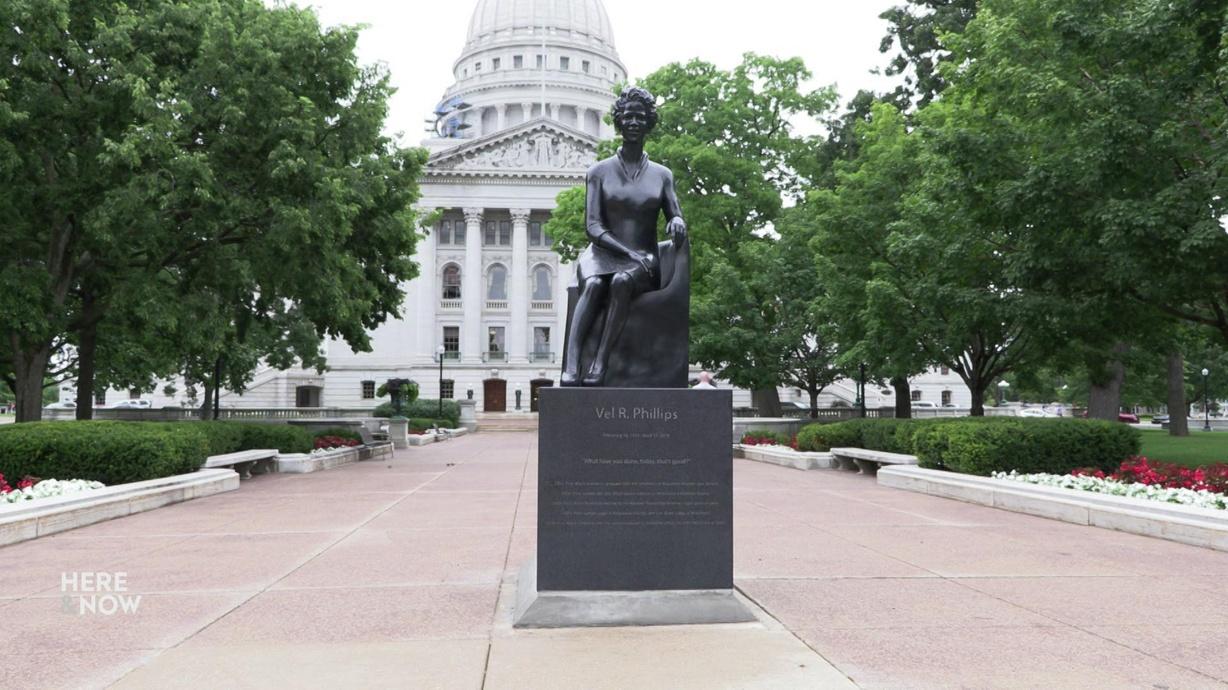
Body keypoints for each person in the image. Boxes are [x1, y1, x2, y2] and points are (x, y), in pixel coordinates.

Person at [561, 86, 687, 386]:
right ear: (618, 122)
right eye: (627, 117)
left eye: (639, 117)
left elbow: (674, 213)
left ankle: (600, 363)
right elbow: (592, 226)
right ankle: (571, 365)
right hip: (603, 252)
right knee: (592, 285)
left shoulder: (662, 175)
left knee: (620, 282)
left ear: (648, 123)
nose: (633, 122)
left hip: (643, 258)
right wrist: (628, 254)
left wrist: (678, 221)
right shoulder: (598, 172)